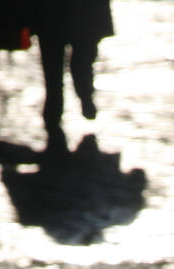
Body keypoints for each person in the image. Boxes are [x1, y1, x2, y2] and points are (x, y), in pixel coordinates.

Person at [30, 0, 114, 156]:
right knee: (79, 63)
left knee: (54, 68)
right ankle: (81, 97)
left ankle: (55, 114)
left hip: (52, 12)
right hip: (80, 11)